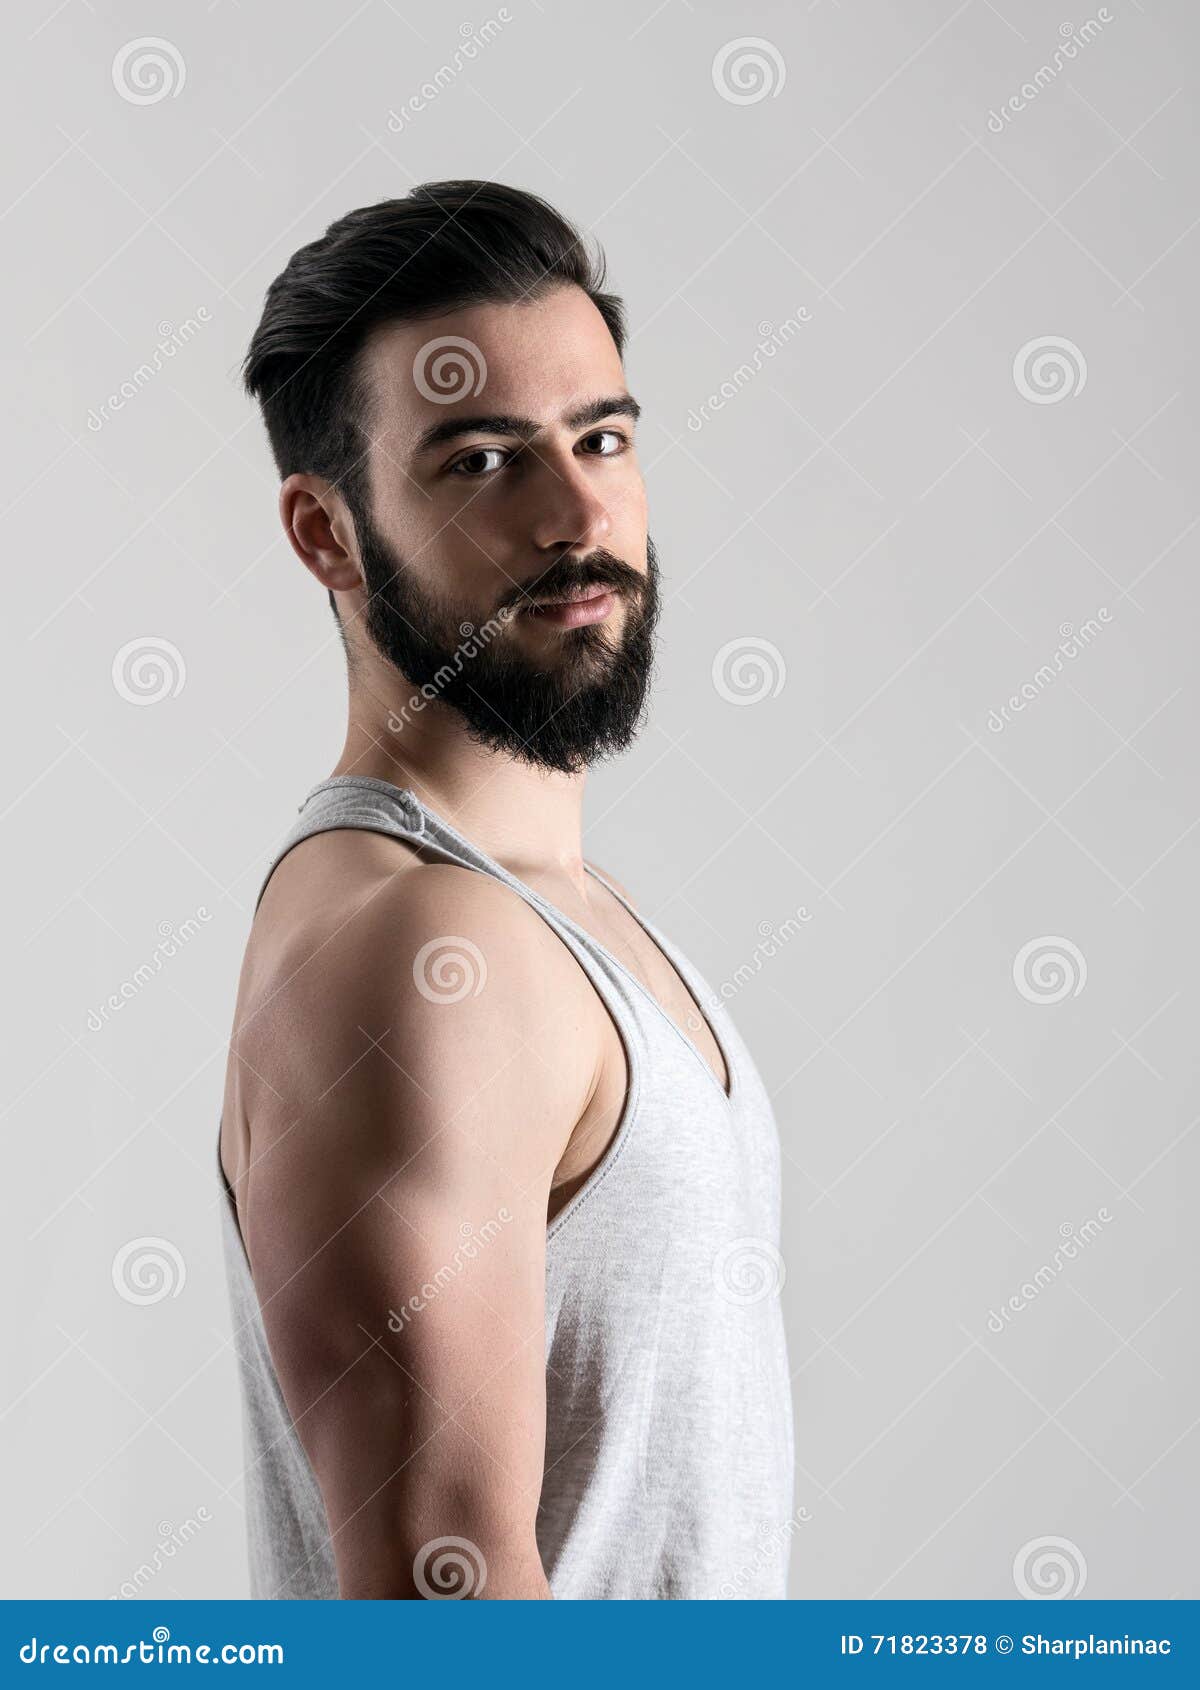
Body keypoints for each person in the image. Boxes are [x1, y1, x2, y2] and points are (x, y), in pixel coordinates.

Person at [218, 180, 794, 1600]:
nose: (578, 509)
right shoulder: (426, 945)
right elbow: (440, 1598)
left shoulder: (552, 910)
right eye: (482, 461)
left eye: (601, 437)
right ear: (326, 534)